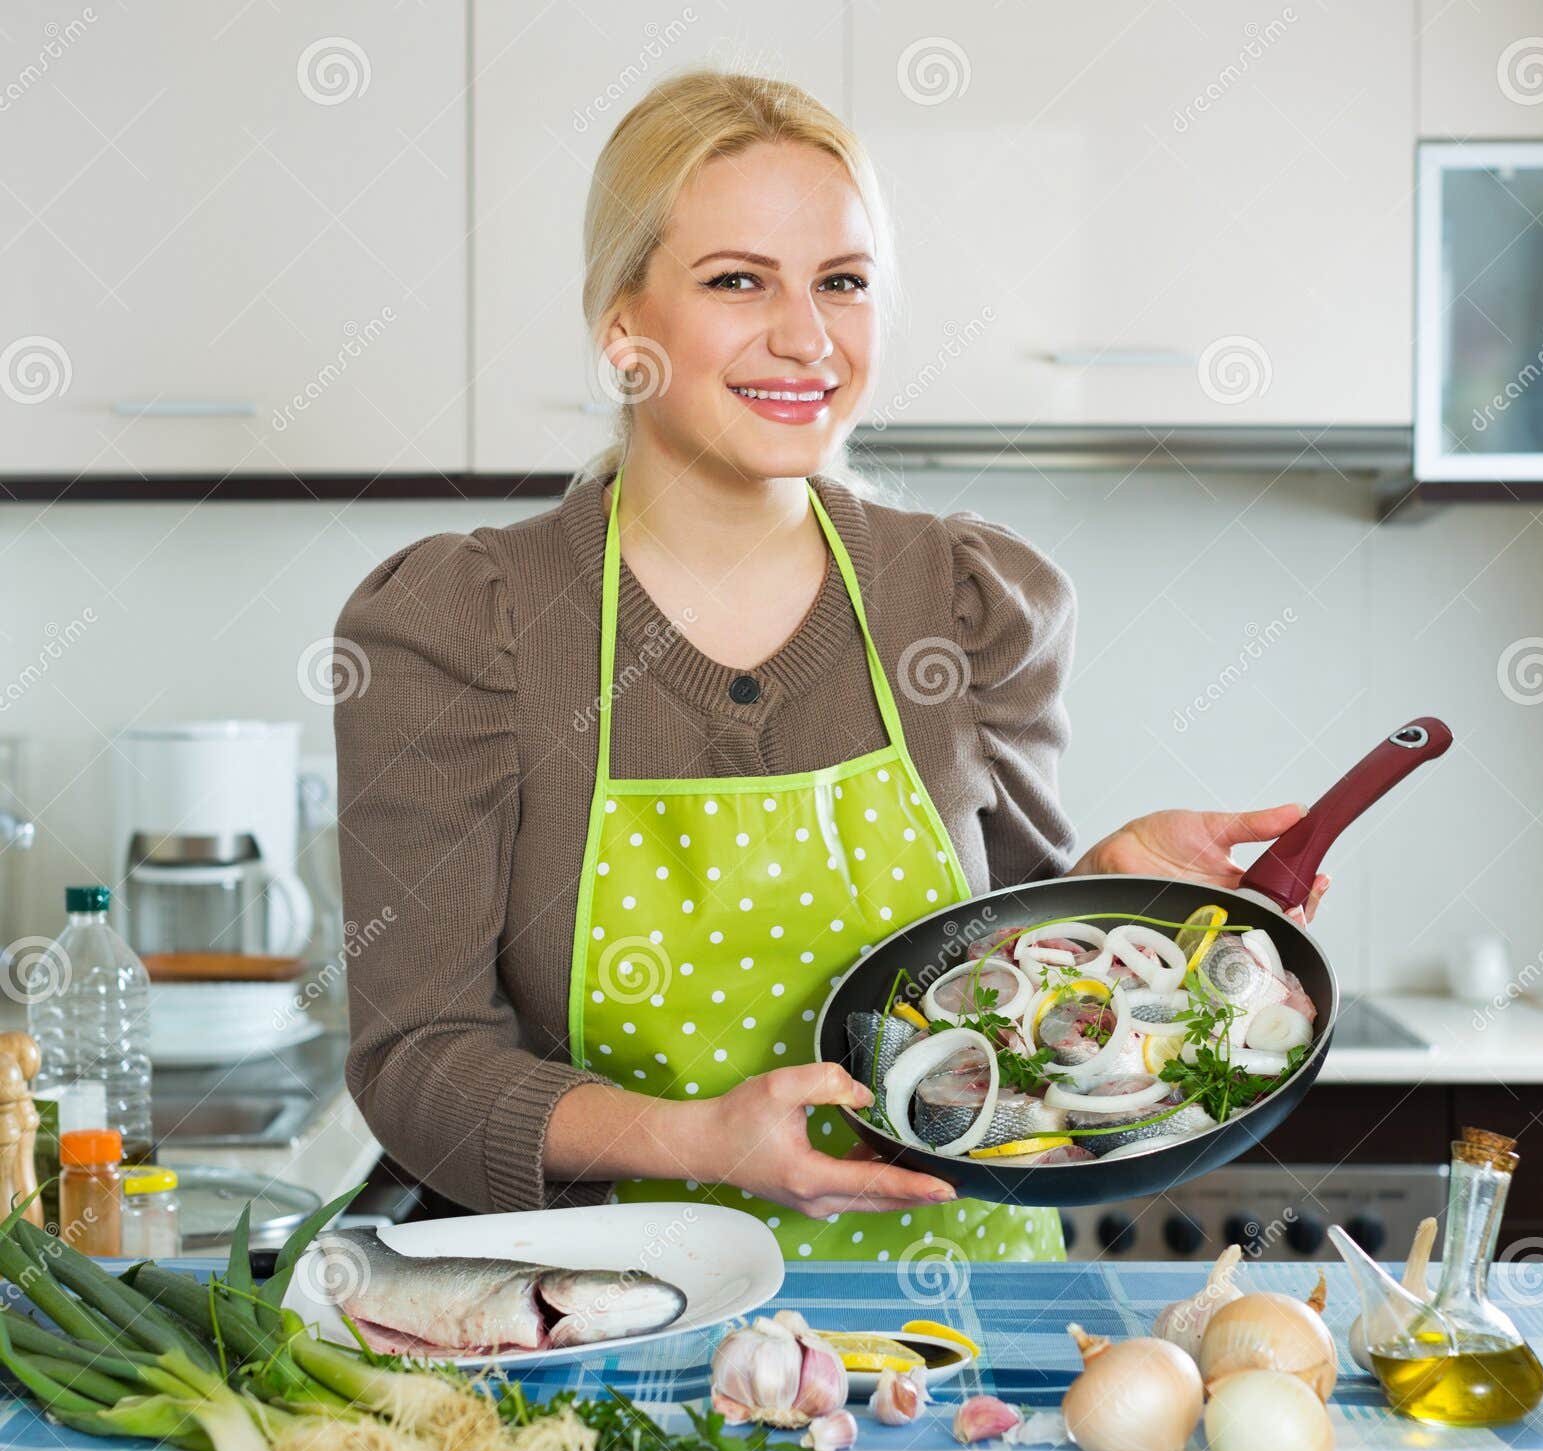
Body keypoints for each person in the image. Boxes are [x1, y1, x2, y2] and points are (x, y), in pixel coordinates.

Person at [333, 69, 1326, 1262]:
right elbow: (417, 1061)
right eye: (736, 280)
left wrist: (1112, 896)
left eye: (841, 284)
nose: (805, 337)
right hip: (626, 1324)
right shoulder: (469, 624)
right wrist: (698, 1140)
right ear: (621, 323)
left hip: (952, 1325)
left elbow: (996, 984)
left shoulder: (962, 605)